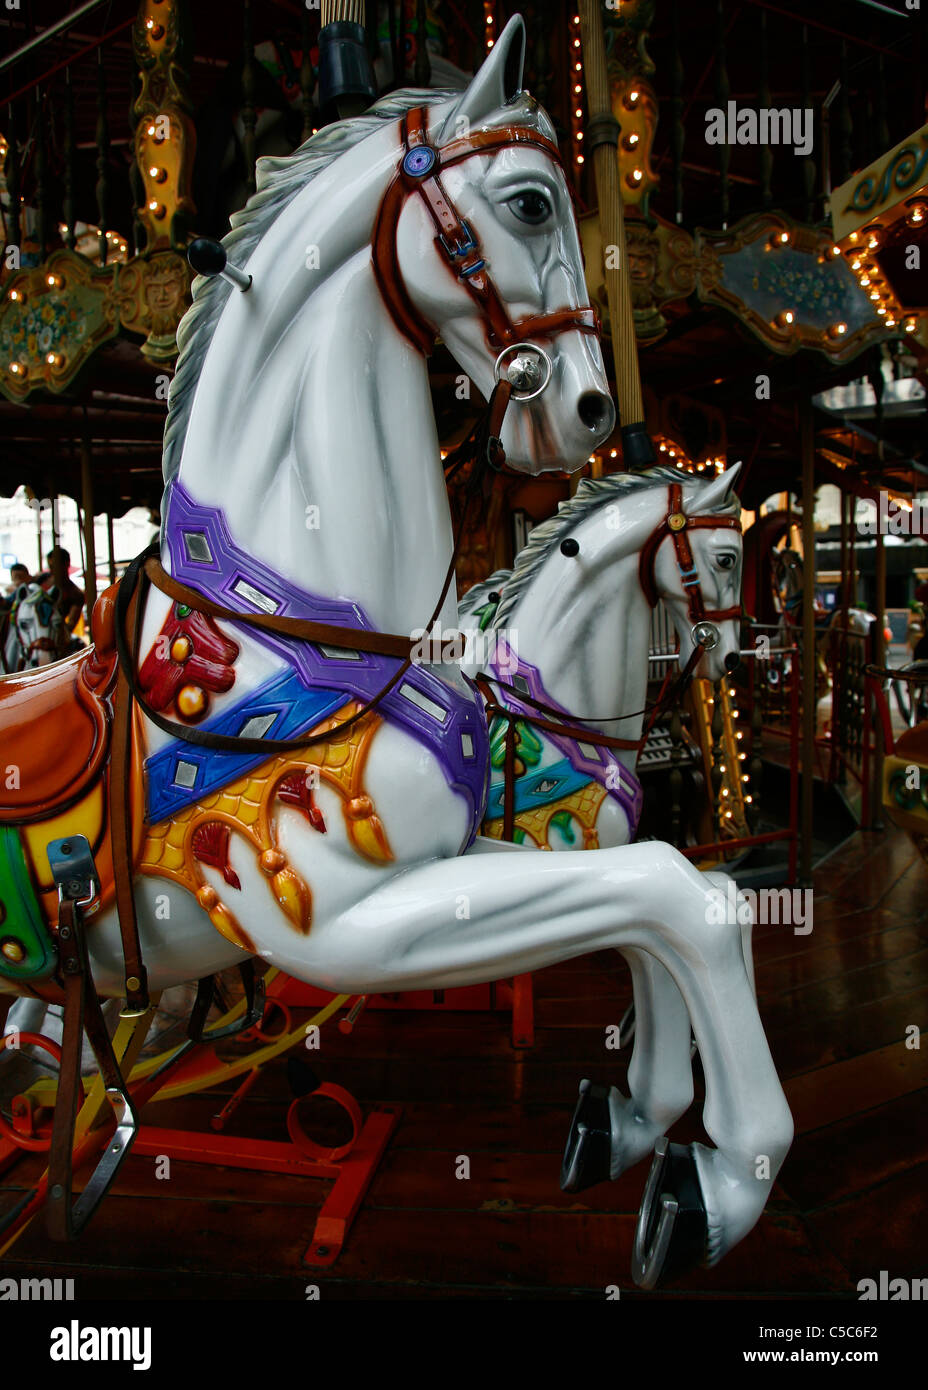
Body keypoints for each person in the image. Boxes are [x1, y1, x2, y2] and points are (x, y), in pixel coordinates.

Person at [42, 547, 85, 636]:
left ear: (66, 564)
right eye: (50, 566)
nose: (52, 569)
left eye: (55, 566)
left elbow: (71, 624)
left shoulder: (75, 594)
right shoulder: (40, 580)